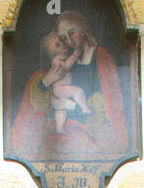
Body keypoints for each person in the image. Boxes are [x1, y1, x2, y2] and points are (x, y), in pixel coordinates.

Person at [10, 10, 130, 161]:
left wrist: (73, 107)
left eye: (72, 33)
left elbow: (109, 103)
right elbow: (41, 103)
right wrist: (47, 84)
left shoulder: (100, 58)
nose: (68, 42)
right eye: (63, 38)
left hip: (90, 132)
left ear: (83, 30)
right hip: (67, 133)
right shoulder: (58, 67)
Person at [41, 29, 93, 133]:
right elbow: (65, 67)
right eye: (57, 45)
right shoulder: (57, 60)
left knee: (61, 109)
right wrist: (75, 55)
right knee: (78, 91)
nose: (62, 44)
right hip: (61, 88)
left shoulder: (65, 56)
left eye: (62, 39)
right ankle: (85, 108)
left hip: (61, 88)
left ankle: (59, 128)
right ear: (53, 52)